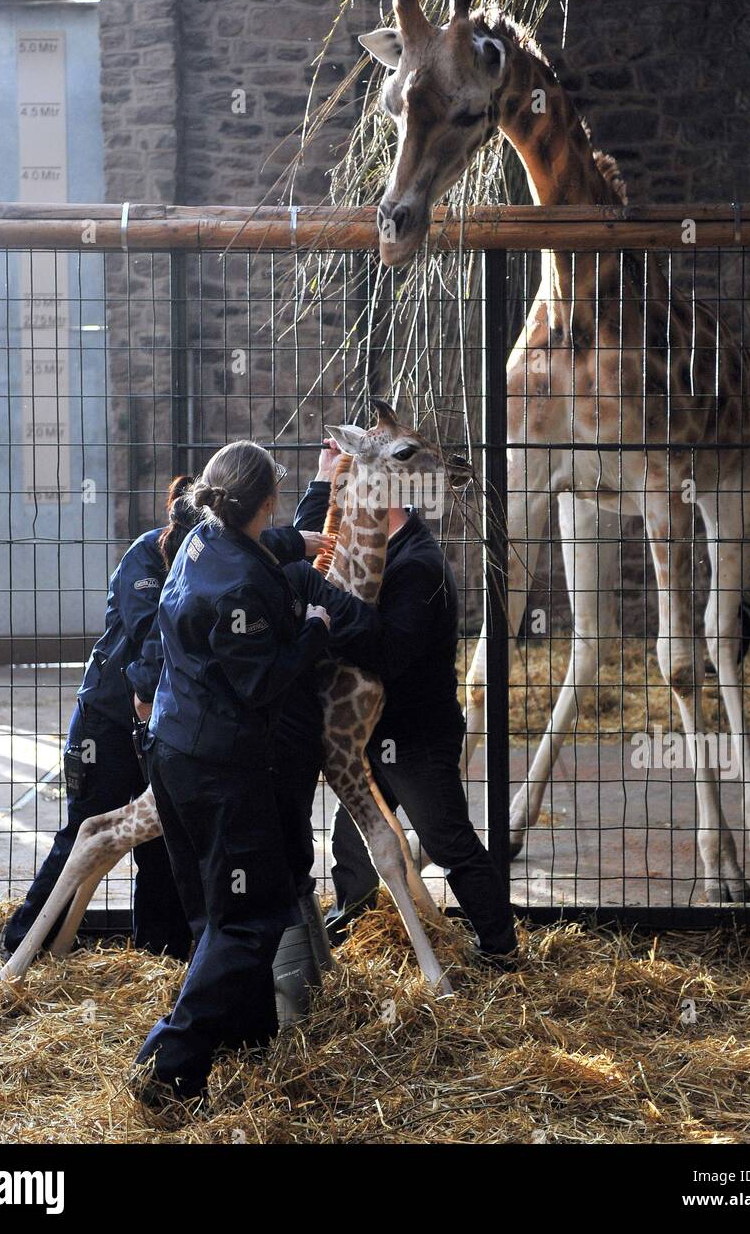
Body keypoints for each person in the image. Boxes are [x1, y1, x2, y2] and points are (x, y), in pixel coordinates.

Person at [131, 440, 380, 1114]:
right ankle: (164, 1065)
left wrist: (301, 537)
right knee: (250, 919)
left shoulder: (202, 541)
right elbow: (264, 683)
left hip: (174, 755)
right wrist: (316, 628)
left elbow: (259, 548)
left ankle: (241, 1041)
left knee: (214, 912)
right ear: (264, 499)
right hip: (221, 769)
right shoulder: (244, 585)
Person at [296, 441, 519, 968]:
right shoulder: (383, 546)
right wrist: (324, 478)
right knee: (352, 851)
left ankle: (500, 948)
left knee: (447, 843)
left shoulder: (418, 564)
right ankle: (347, 937)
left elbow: (389, 653)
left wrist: (324, 607)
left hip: (415, 735)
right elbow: (317, 550)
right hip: (372, 733)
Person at [0, 477, 198, 963]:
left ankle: (159, 956)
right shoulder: (144, 557)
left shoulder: (199, 564)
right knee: (83, 830)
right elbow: (151, 629)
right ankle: (26, 942)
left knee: (160, 836)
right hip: (108, 720)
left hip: (156, 723)